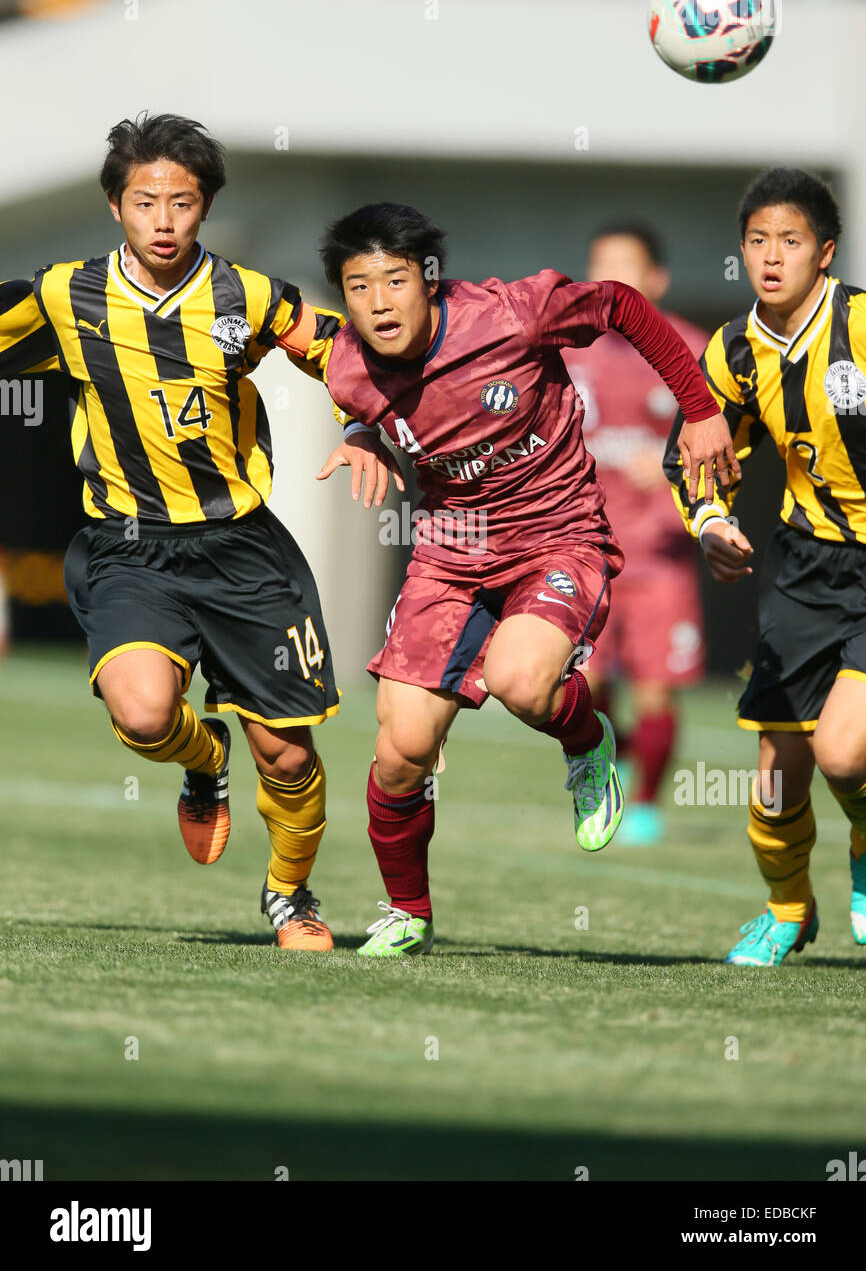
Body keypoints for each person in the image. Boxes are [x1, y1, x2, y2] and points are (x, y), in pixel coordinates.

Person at [0, 113, 399, 952]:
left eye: (182, 202)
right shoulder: (65, 296)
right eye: (146, 201)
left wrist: (367, 424)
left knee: (288, 758)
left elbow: (335, 349)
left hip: (241, 549)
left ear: (205, 205)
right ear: (115, 206)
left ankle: (290, 895)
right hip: (129, 548)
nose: (164, 221)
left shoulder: (244, 297)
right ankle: (202, 760)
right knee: (145, 715)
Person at [298, 201, 734, 956]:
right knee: (401, 749)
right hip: (449, 554)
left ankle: (588, 743)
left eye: (394, 282)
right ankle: (409, 911)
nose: (378, 303)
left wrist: (698, 409)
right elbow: (356, 398)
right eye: (358, 287)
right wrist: (360, 434)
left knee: (522, 681)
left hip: (557, 538)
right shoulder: (346, 362)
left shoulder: (510, 313)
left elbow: (623, 305)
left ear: (428, 282)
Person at [663, 165, 866, 966]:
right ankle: (788, 909)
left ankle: (861, 852)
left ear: (827, 251)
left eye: (790, 240)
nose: (771, 256)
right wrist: (710, 521)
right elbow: (692, 456)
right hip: (806, 569)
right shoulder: (735, 352)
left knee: (846, 752)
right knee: (777, 775)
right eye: (756, 241)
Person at [562, 223, 708, 846]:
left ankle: (645, 804)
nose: (612, 281)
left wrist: (674, 470)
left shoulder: (693, 351)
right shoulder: (566, 352)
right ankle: (607, 766)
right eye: (601, 268)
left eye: (626, 267)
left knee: (655, 690)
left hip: (660, 555)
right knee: (582, 685)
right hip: (585, 551)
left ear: (657, 280)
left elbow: (730, 451)